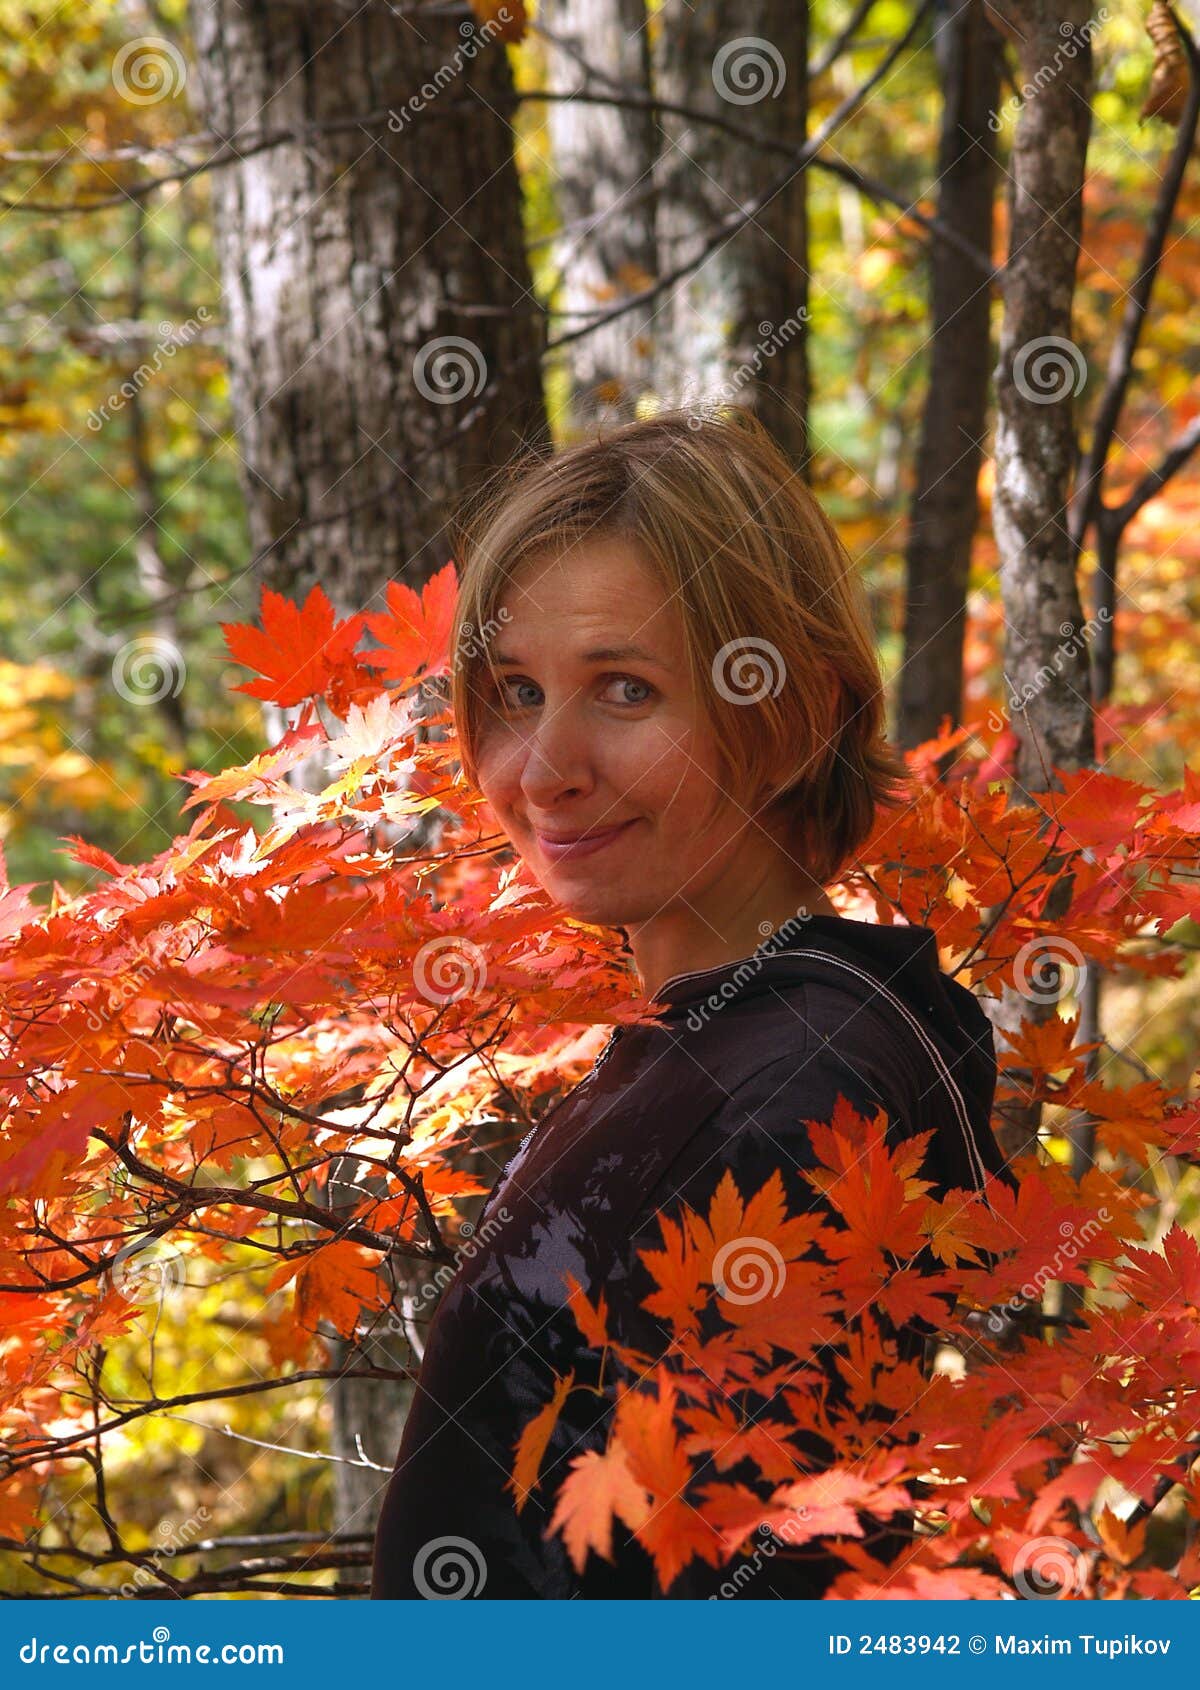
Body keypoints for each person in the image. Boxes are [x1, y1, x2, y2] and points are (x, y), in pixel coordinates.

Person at [369, 406, 1013, 1600]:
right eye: (514, 689)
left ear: (796, 714)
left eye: (623, 688)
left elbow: (765, 1590)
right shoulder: (725, 1044)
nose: (543, 765)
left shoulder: (796, 1089)